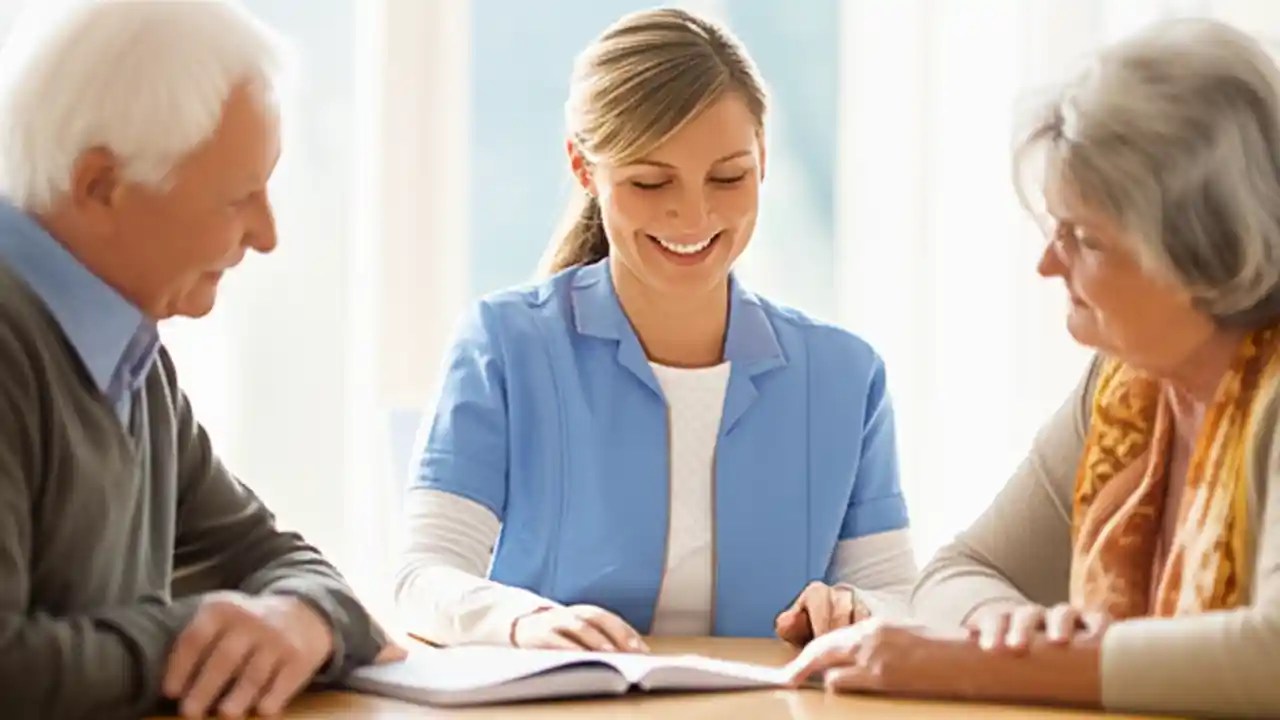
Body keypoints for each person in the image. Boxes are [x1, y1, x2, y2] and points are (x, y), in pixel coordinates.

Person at [784, 17, 1280, 719]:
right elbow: (962, 570)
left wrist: (980, 666)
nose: (1049, 264)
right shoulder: (1126, 388)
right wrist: (1011, 634)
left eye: (1086, 240)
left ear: (1208, 245)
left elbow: (1270, 655)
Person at [394, 7, 916, 652]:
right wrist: (523, 621)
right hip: (560, 697)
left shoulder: (845, 376)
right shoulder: (504, 345)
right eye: (650, 181)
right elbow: (423, 576)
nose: (693, 215)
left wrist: (856, 608)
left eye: (728, 176)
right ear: (584, 168)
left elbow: (896, 593)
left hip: (769, 700)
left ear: (762, 157)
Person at [0, 3, 400, 719]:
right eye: (239, 197)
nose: (266, 235)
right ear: (101, 187)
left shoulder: (128, 357)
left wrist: (300, 616)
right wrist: (201, 635)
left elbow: (272, 557)